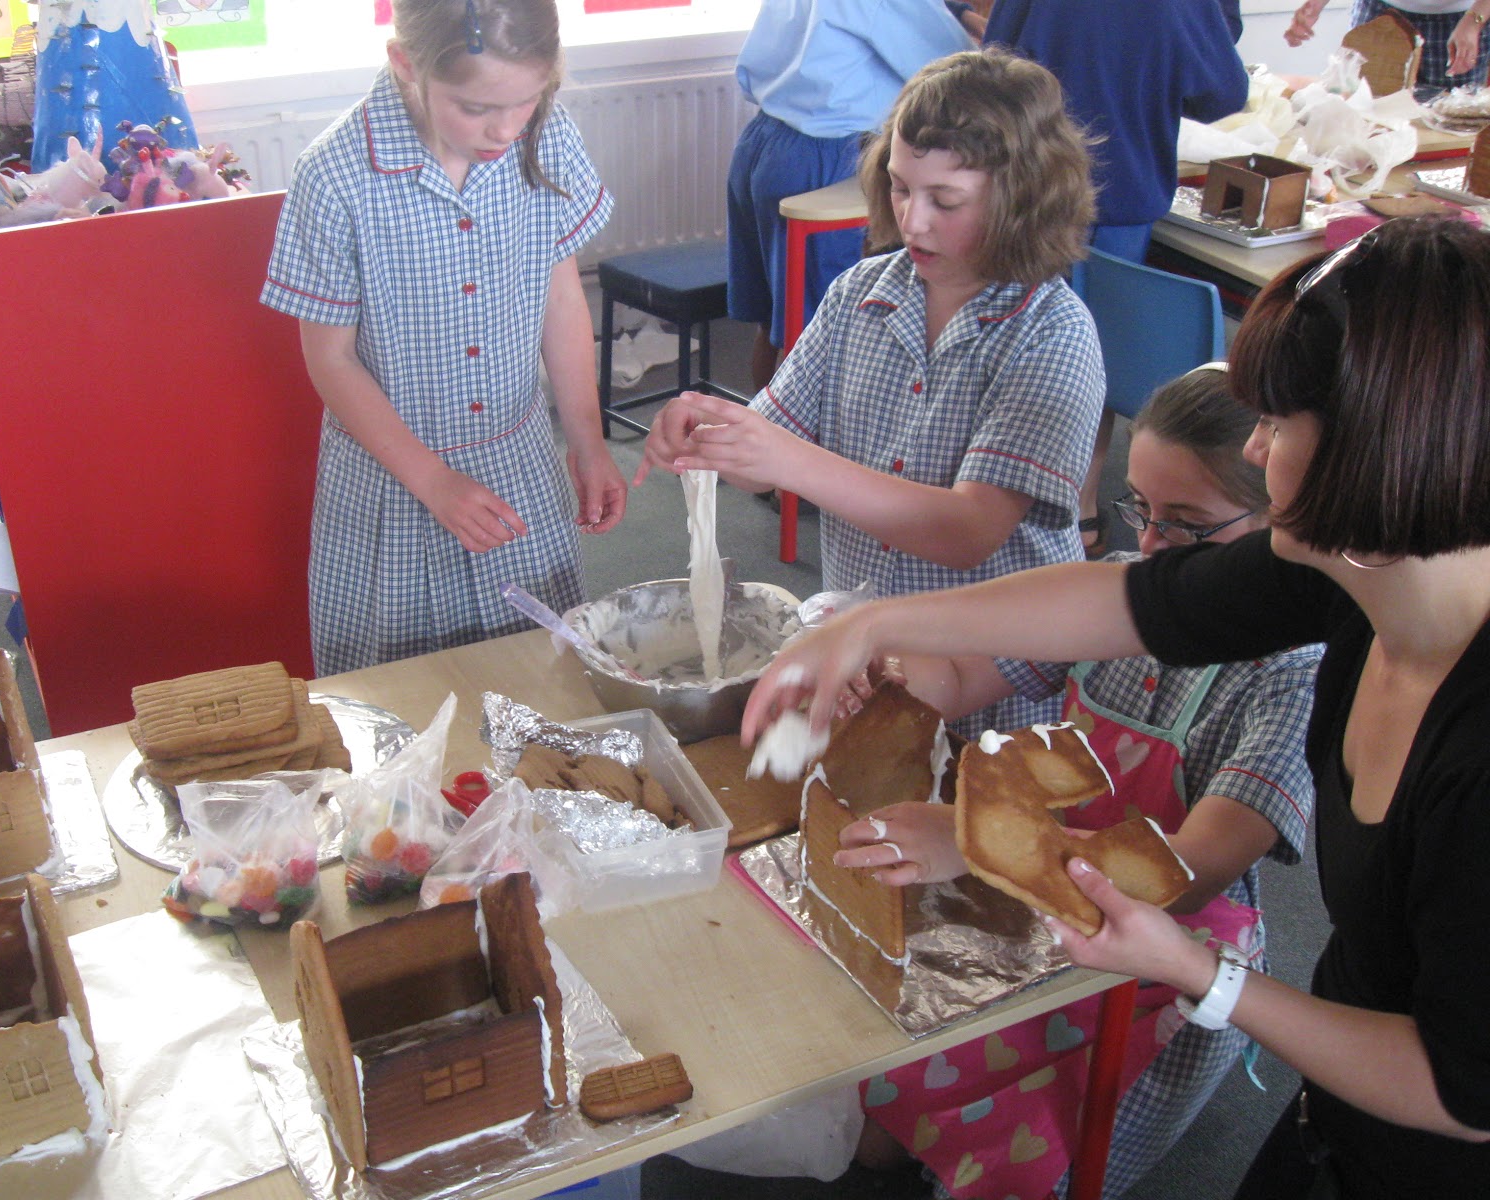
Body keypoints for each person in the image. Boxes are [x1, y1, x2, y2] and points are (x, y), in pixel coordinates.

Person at [743, 216, 1490, 1199]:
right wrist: (871, 625)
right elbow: (1129, 601)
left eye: (1280, 422)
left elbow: (1460, 1090)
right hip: (1339, 1102)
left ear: (1382, 448)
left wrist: (1201, 971)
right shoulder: (1351, 568)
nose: (1259, 445)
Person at [845, 365, 1322, 1199]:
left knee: (1026, 1163)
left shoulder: (1290, 672)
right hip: (1043, 887)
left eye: (1188, 527)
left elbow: (1184, 872)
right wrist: (878, 677)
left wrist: (970, 834)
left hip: (1166, 947)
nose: (1151, 548)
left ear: (1283, 513)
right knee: (878, 1126)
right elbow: (962, 677)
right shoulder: (1128, 595)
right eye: (1137, 509)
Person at [639, 48, 1105, 741]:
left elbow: (966, 533)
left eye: (946, 201)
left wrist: (787, 461)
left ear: (1020, 201)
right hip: (872, 653)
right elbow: (768, 439)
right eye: (897, 187)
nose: (912, 221)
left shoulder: (1051, 334)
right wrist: (712, 435)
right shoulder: (861, 295)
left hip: (995, 672)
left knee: (966, 825)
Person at [261, 0, 626, 676]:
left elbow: (562, 298)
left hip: (516, 464)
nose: (506, 129)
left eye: (527, 101)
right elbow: (331, 358)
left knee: (536, 677)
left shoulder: (545, 136)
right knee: (403, 699)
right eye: (476, 109)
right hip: (393, 480)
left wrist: (588, 440)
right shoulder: (336, 176)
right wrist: (432, 480)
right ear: (406, 63)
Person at [980, 0, 1249, 559]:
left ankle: (1004, 495)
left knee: (1012, 336)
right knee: (1094, 351)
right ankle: (1073, 506)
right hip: (1120, 194)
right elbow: (1222, 94)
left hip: (1027, 187)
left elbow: (996, 60)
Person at [728, 0, 973, 390]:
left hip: (764, 142)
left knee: (778, 322)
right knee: (820, 335)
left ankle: (763, 429)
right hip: (825, 153)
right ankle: (794, 442)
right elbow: (960, 68)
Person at [1287, 0, 1490, 94]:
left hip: (1460, 19)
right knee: (1363, 105)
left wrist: (1474, 21)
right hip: (1379, 10)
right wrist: (1316, 4)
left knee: (1448, 118)